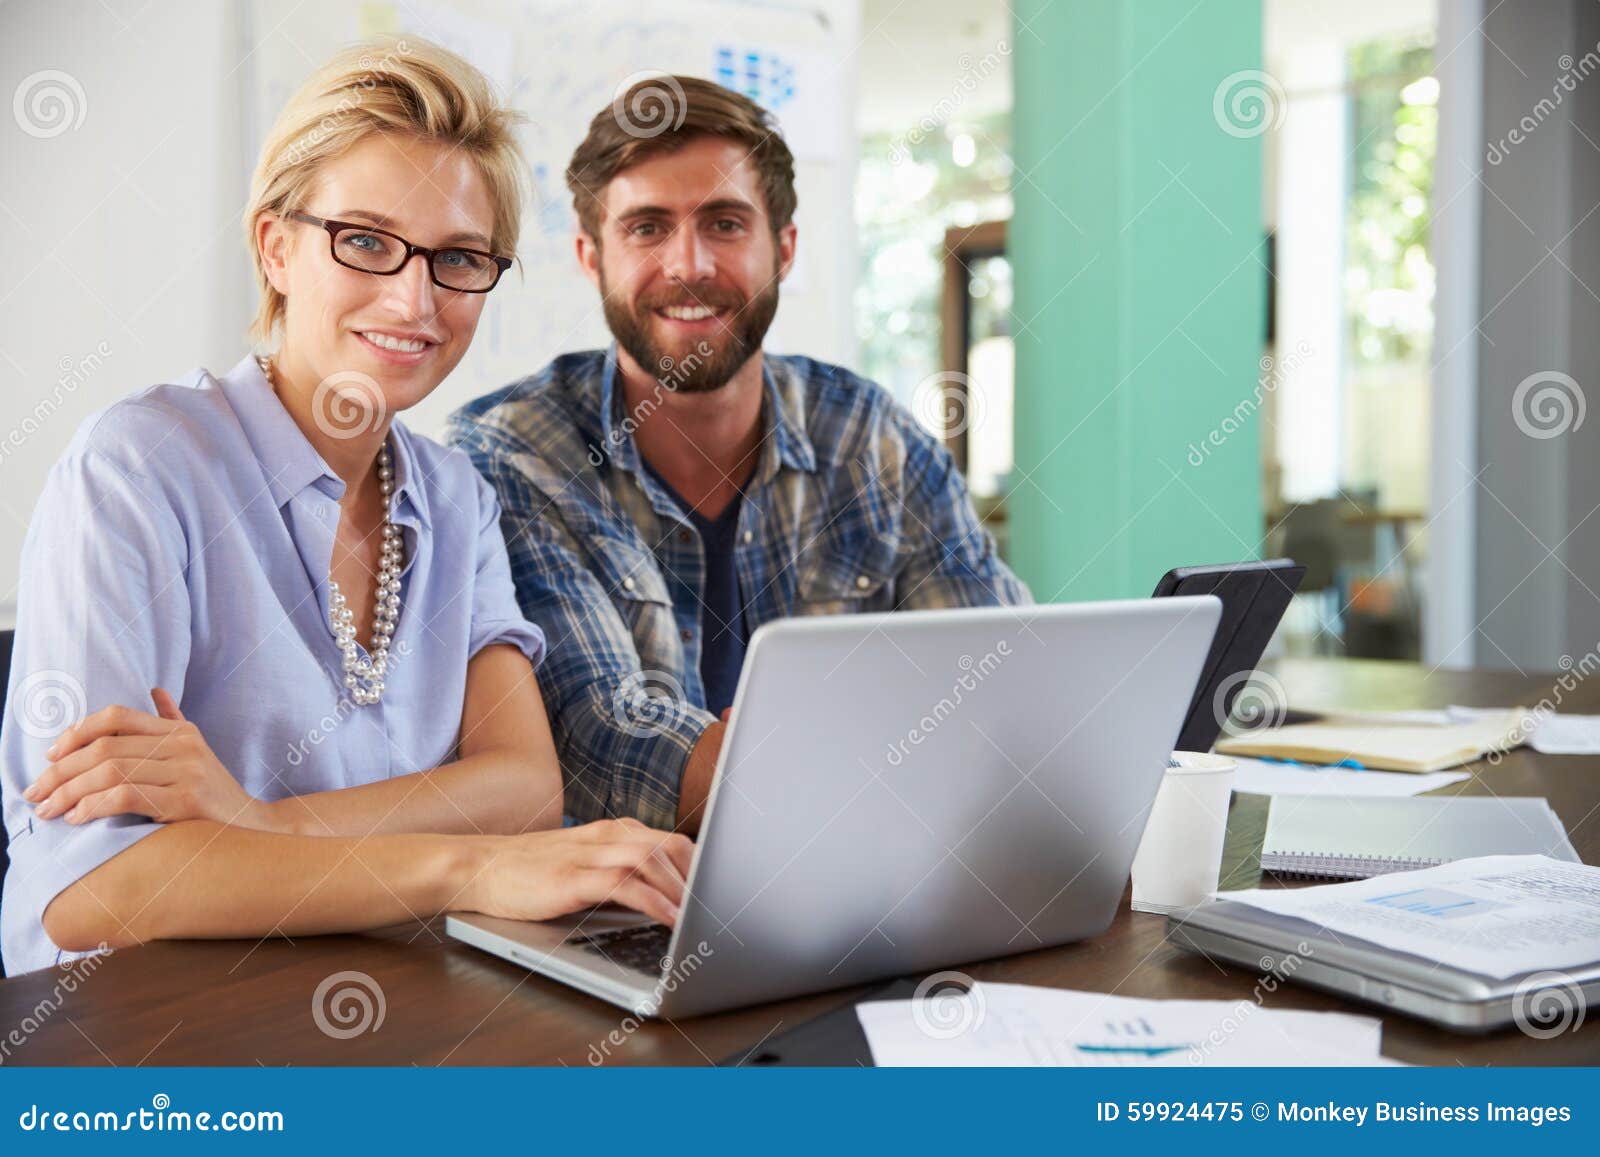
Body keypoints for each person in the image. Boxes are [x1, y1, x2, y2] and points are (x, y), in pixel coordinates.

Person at [0, 39, 689, 977]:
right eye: (364, 240)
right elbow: (97, 886)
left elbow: (523, 788)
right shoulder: (139, 465)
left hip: (370, 992)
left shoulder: (457, 500)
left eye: (458, 258)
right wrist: (464, 866)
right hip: (138, 1038)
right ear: (275, 246)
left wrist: (254, 822)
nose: (414, 297)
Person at [450, 76, 1030, 837]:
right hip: (627, 913)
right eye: (648, 228)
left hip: (886, 873)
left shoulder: (871, 438)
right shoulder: (513, 454)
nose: (688, 265)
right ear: (591, 257)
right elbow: (597, 736)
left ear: (782, 248)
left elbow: (997, 674)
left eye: (724, 223)